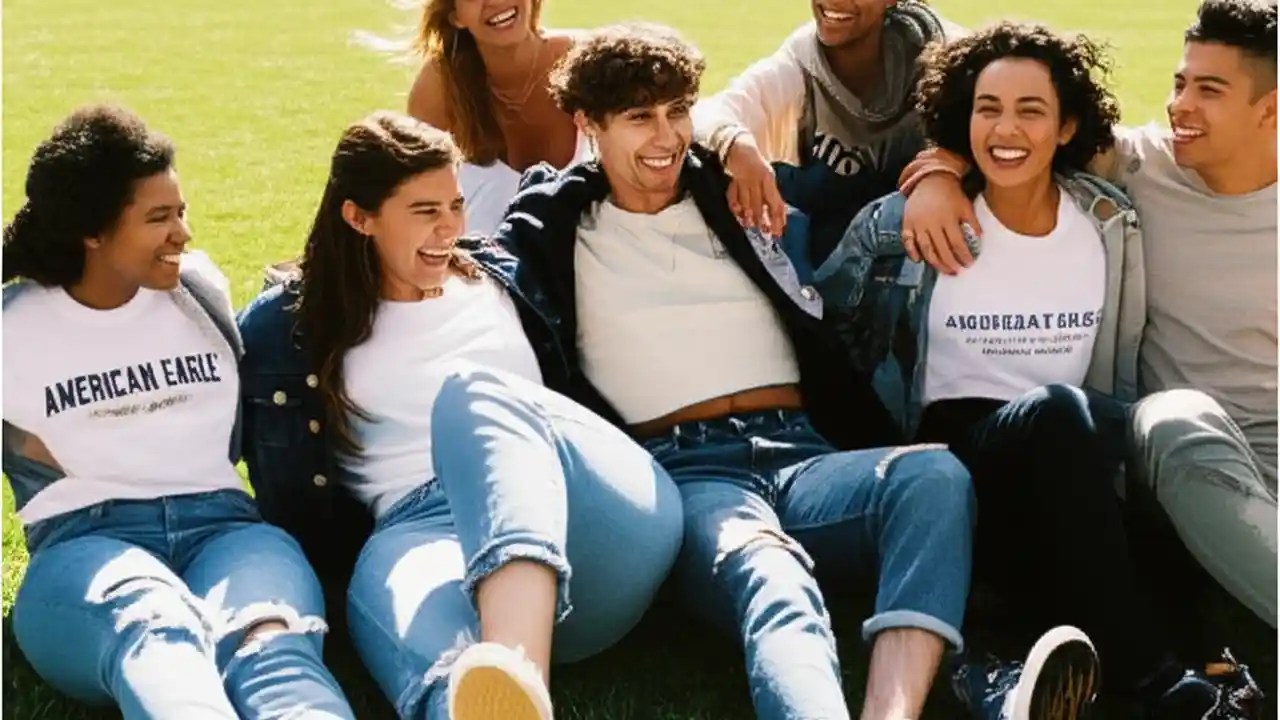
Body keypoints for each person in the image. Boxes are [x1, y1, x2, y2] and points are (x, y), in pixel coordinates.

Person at [495, 22, 975, 720]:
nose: (666, 137)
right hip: (689, 477)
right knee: (772, 577)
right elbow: (456, 256)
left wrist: (939, 166)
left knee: (936, 476)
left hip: (803, 454)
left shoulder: (738, 193)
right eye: (639, 119)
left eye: (676, 112)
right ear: (587, 124)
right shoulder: (552, 222)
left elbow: (862, 179)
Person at [812, 21, 1263, 719]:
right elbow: (826, 345)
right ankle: (1156, 680)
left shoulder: (1110, 222)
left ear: (1067, 125)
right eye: (987, 108)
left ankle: (1025, 659)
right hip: (949, 474)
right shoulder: (899, 228)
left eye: (1031, 110)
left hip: (1070, 475)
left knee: (1106, 442)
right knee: (1063, 413)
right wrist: (935, 171)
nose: (1005, 129)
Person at [236, 111, 683, 720]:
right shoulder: (285, 326)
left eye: (455, 205)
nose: (448, 227)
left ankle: (516, 663)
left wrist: (734, 146)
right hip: (420, 526)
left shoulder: (503, 271)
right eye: (424, 211)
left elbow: (614, 165)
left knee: (473, 393)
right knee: (437, 658)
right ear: (358, 217)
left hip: (582, 510)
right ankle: (490, 700)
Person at [897, 0, 1277, 637]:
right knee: (1174, 416)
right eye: (1180, 82)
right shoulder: (1141, 167)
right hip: (1174, 461)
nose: (1180, 105)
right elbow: (1013, 131)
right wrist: (940, 169)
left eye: (1209, 90)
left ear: (1270, 109)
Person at [2, 105, 355, 720]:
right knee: (158, 629)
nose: (183, 234)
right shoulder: (15, 325)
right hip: (86, 541)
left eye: (181, 212)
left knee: (270, 641)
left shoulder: (198, 292)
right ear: (93, 231)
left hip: (227, 531)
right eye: (159, 218)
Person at [692, 0, 962, 250]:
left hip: (923, 251)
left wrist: (946, 168)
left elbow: (998, 135)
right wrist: (735, 143)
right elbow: (709, 114)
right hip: (830, 255)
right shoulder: (802, 61)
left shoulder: (949, 55)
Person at [404, 0, 591, 234]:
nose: (495, 1)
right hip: (476, 265)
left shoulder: (585, 63)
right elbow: (411, 207)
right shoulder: (440, 87)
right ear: (456, 17)